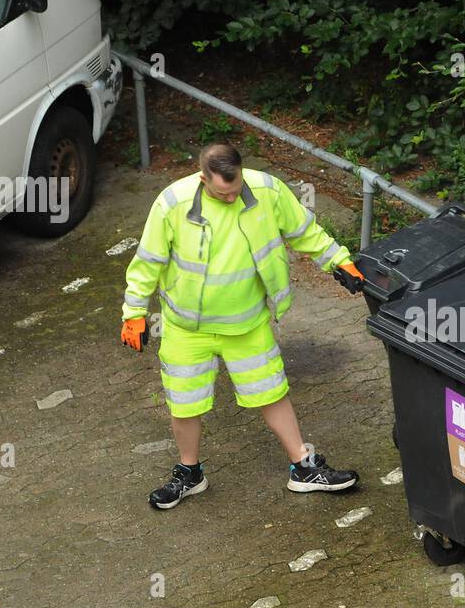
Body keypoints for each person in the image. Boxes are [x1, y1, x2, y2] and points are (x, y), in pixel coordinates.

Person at [120, 143, 366, 508]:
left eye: (236, 190)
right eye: (222, 192)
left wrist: (339, 261)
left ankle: (303, 468)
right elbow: (148, 261)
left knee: (271, 391)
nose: (232, 197)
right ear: (204, 179)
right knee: (185, 404)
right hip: (188, 328)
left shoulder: (267, 191)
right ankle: (190, 473)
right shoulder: (172, 204)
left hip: (247, 323)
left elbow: (304, 231)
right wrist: (134, 312)